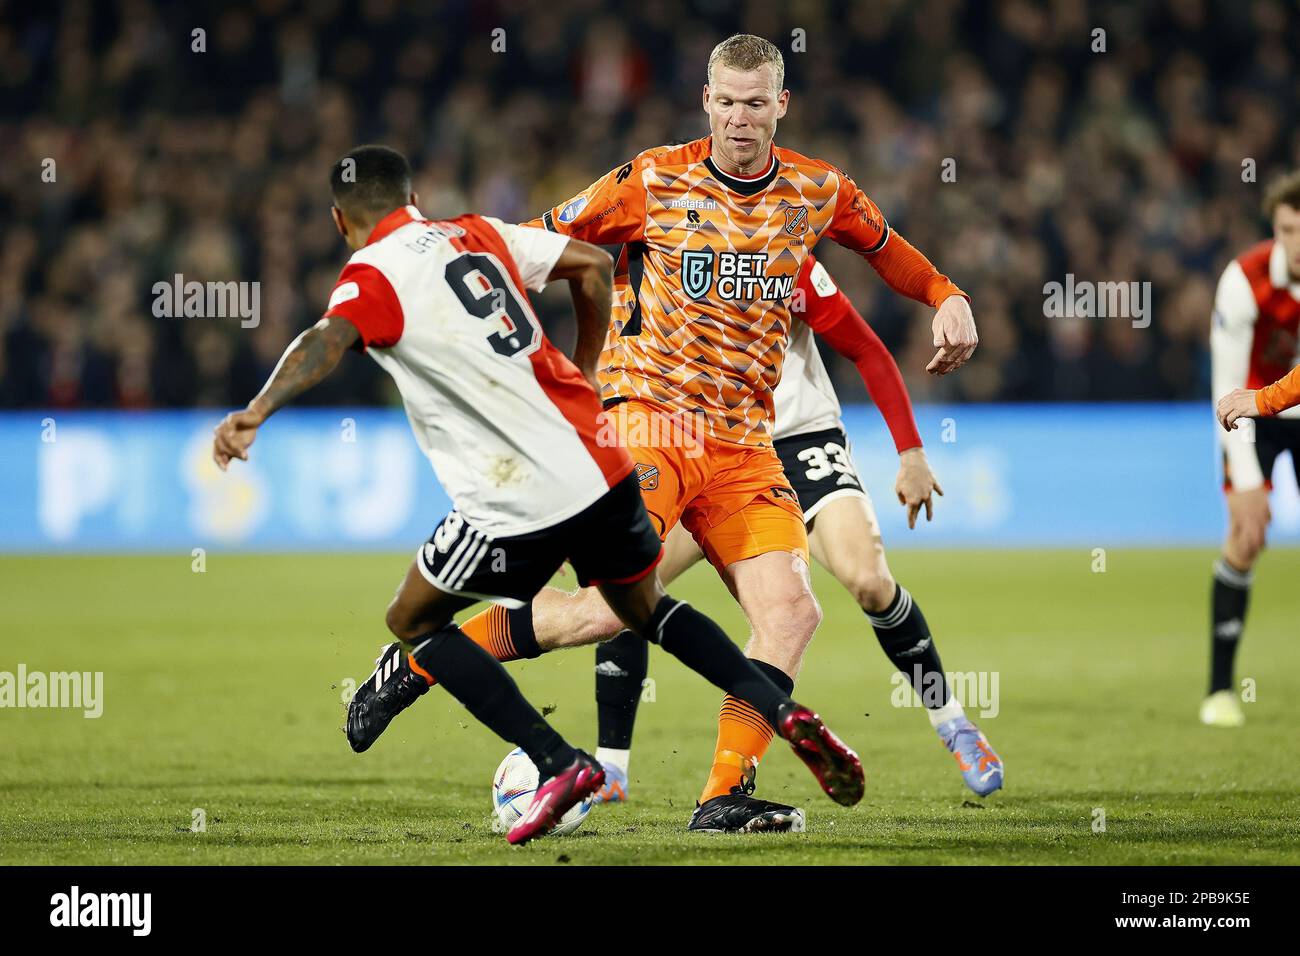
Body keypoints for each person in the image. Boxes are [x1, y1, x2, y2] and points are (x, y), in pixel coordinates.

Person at [351, 34, 976, 832]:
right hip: (648, 423)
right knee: (609, 611)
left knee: (791, 613)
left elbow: (890, 254)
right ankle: (412, 664)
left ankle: (722, 797)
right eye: (727, 101)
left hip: (746, 443)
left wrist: (947, 294)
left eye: (757, 103)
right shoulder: (653, 179)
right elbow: (539, 241)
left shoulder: (818, 191)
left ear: (780, 105)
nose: (741, 118)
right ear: (706, 102)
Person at [212, 144, 864, 843]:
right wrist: (586, 368)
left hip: (514, 486)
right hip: (601, 452)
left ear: (342, 221)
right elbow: (588, 264)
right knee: (637, 609)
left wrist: (256, 408)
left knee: (414, 621)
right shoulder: (477, 232)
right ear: (414, 196)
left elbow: (324, 339)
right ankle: (781, 710)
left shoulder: (371, 273)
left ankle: (552, 757)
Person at [587, 254, 1003, 805]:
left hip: (801, 443)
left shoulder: (785, 263)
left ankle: (954, 724)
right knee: (625, 589)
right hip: (711, 450)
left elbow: (866, 350)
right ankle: (611, 768)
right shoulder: (667, 258)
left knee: (870, 581)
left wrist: (911, 452)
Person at [1204, 169, 1300, 728]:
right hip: (1255, 414)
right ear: (1275, 227)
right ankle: (1219, 690)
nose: (1298, 241)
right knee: (1245, 537)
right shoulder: (1244, 280)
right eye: (1289, 228)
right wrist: (1245, 482)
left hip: (1280, 401)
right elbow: (1228, 389)